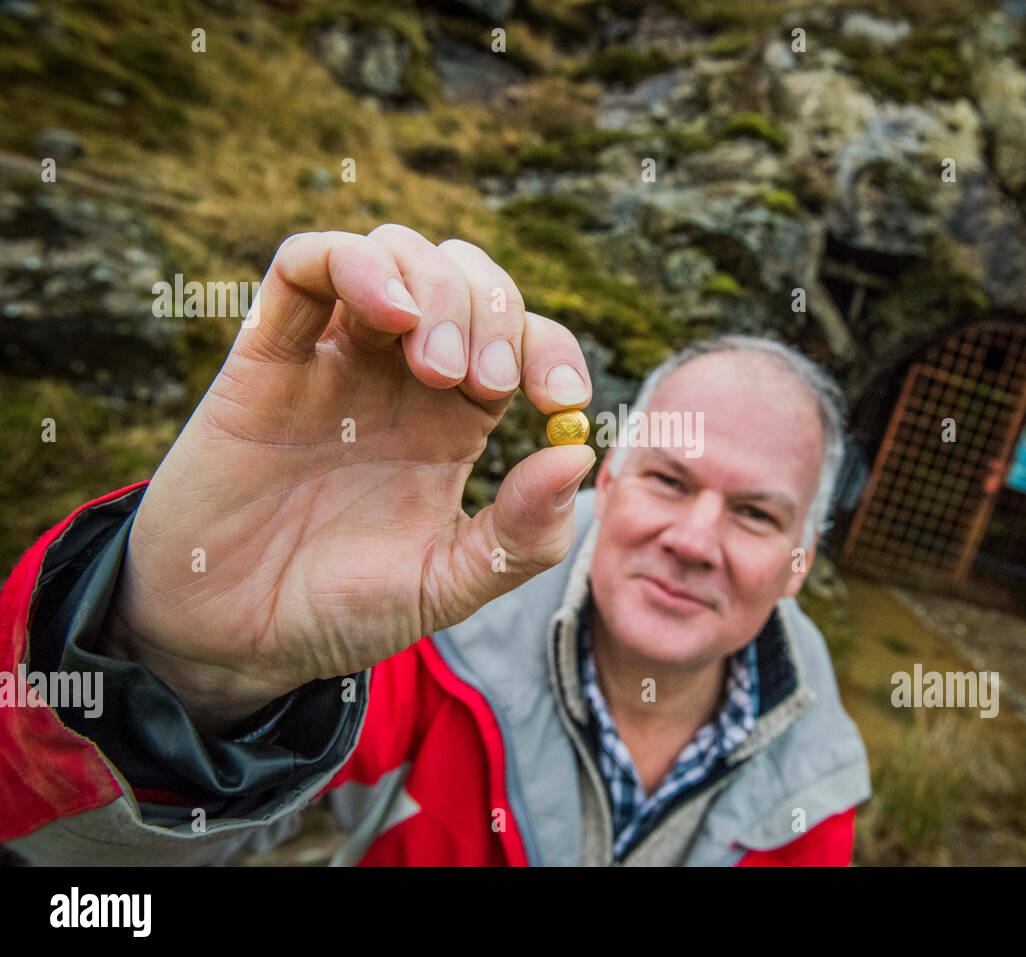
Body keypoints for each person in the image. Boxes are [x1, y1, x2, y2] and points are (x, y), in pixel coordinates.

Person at [0, 225, 870, 866]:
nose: (693, 539)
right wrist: (176, 680)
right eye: (668, 481)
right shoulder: (404, 652)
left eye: (756, 514)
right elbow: (91, 881)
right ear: (606, 482)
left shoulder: (815, 794)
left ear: (801, 559)